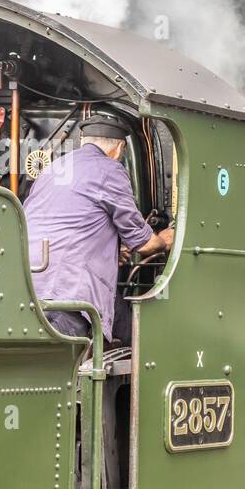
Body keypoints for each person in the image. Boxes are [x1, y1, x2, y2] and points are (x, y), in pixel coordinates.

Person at [24, 117, 173, 341]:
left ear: (84, 141)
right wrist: (165, 239)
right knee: (134, 338)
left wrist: (112, 251)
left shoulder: (53, 169)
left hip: (29, 286)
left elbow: (71, 224)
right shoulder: (109, 169)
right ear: (119, 148)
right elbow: (143, 243)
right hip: (70, 292)